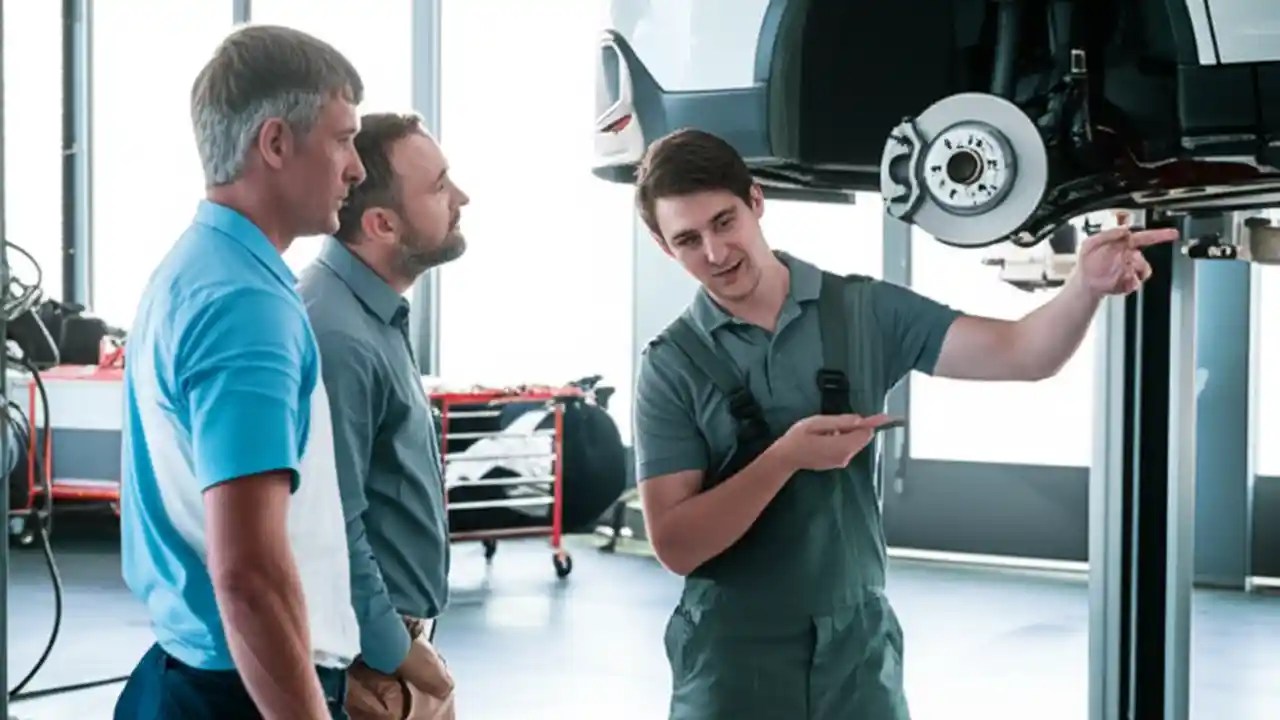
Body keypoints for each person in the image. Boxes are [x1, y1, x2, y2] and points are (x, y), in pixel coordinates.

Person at [631, 128, 1178, 719]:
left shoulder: (865, 311)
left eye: (724, 222)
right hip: (731, 659)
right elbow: (677, 545)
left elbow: (1023, 352)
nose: (714, 253)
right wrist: (784, 459)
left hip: (858, 653)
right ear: (665, 247)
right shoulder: (671, 366)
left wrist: (1084, 288)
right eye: (688, 240)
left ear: (756, 202)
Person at [114, 24, 367, 720]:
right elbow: (248, 572)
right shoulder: (244, 305)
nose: (357, 168)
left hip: (196, 668)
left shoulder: (198, 269)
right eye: (343, 138)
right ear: (276, 143)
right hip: (244, 689)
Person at [297, 112, 470, 720]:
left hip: (397, 652)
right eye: (440, 186)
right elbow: (331, 523)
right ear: (381, 223)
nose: (461, 198)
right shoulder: (338, 336)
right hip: (372, 667)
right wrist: (399, 650)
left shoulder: (374, 313)